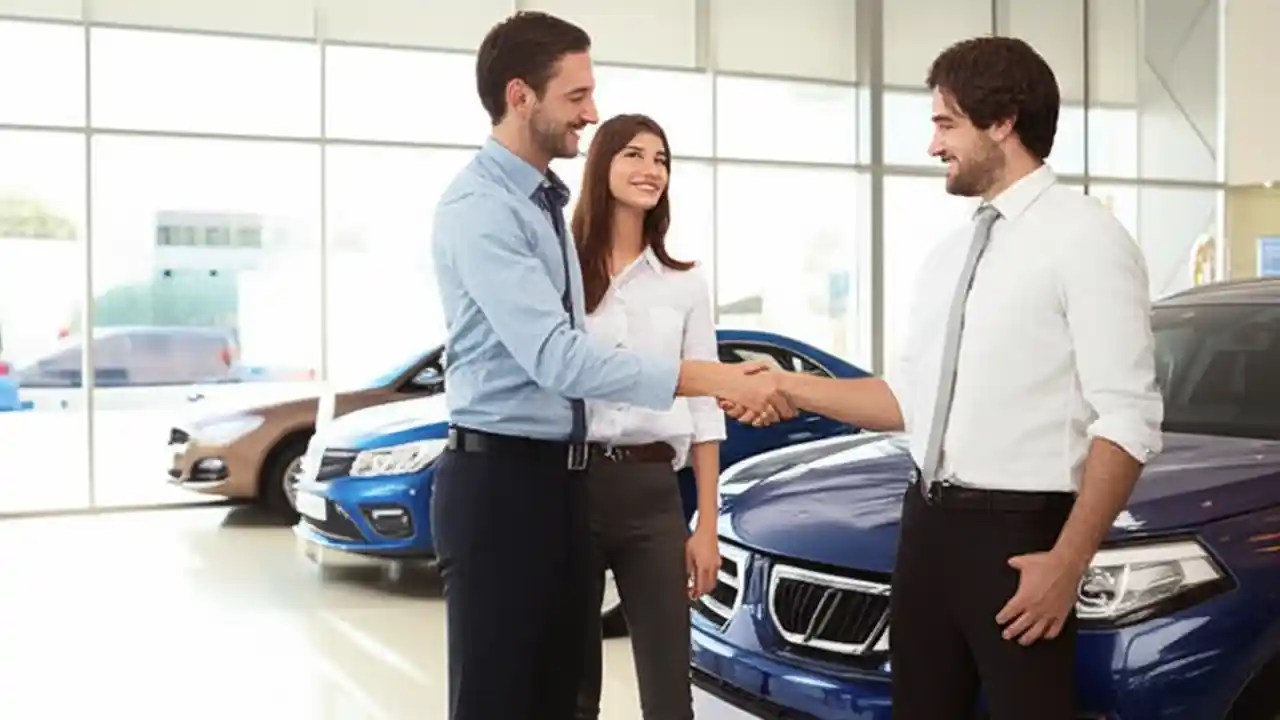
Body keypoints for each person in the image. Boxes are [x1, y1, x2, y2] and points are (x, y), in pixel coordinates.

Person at [723, 36, 1163, 719]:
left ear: (1003, 121)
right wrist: (785, 386)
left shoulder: (1087, 238)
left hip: (1020, 535)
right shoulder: (951, 254)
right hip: (926, 524)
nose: (933, 145)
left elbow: (1128, 419)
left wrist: (1069, 560)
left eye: (945, 122)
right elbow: (908, 401)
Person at [429, 12, 792, 720]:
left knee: (556, 698)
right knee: (502, 698)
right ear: (519, 95)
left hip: (559, 485)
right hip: (501, 485)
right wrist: (712, 377)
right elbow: (558, 357)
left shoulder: (541, 205)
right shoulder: (483, 208)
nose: (591, 113)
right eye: (577, 97)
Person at [567, 114, 723, 720]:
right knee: (572, 689)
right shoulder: (563, 272)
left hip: (653, 494)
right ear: (601, 164)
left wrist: (705, 525)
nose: (650, 170)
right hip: (571, 485)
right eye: (634, 155)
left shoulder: (685, 284)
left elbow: (706, 406)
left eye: (660, 159)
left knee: (668, 695)